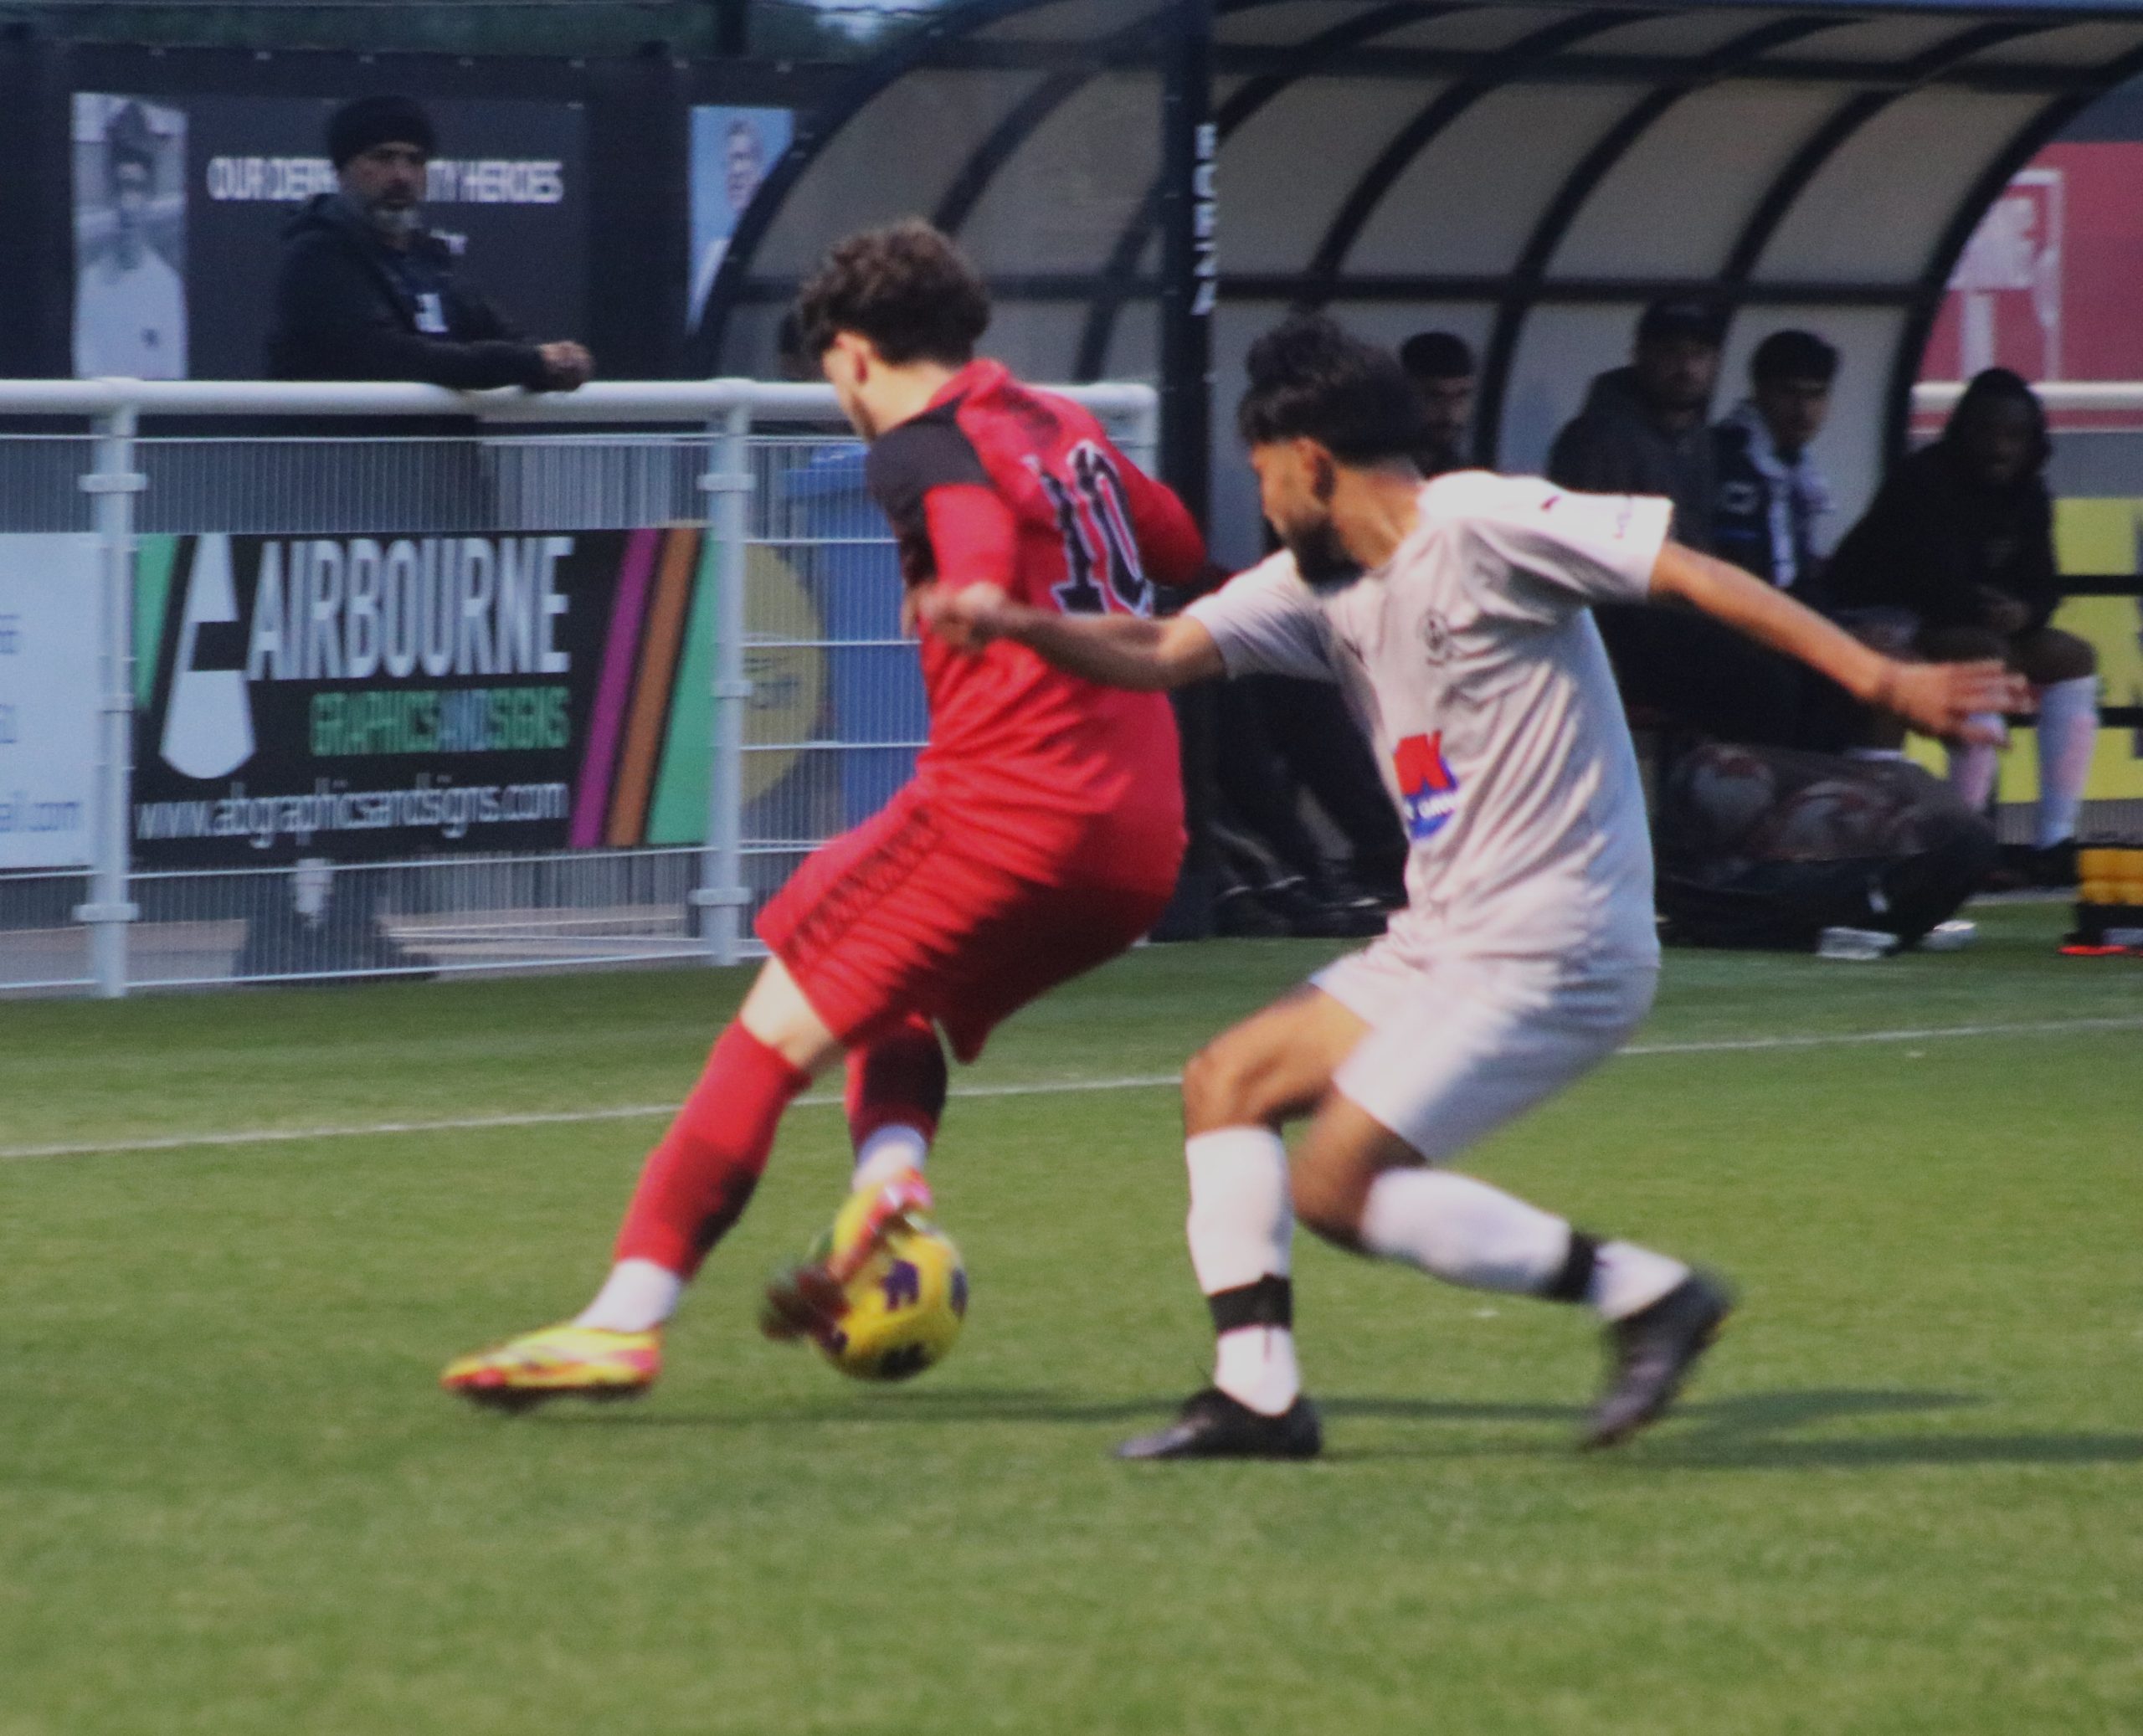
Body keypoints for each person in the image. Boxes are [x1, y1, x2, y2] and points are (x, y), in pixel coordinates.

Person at [922, 316, 2019, 1457]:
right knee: (1226, 1083)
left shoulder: (1482, 522)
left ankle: (1647, 1293)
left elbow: (1688, 573)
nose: (1259, 497)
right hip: (1442, 939)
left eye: (1259, 471)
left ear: (1308, 459)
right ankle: (1256, 1395)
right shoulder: (1315, 583)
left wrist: (1880, 672)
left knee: (1338, 1183)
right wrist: (1017, 624)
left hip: (1560, 940)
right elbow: (1156, 648)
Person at [441, 221, 1206, 1405]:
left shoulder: (920, 441)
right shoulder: (1067, 426)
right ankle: (891, 1173)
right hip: (1142, 840)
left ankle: (623, 1317)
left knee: (768, 1032)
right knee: (847, 944)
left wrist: (977, 589)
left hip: (1015, 807)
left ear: (851, 355)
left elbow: (965, 520)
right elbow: (1178, 542)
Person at [1826, 368, 2098, 885]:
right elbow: (1924, 581)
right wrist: (1988, 614)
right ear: (1962, 432)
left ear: (2032, 441)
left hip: (1973, 626)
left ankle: (2056, 839)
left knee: (2073, 658)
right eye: (1987, 432)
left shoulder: (2029, 494)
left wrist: (2025, 613)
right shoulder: (1923, 479)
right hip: (1881, 617)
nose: (2000, 448)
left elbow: (2044, 585)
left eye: (2014, 436)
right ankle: (1964, 846)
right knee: (1984, 654)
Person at [1553, 296, 1803, 746]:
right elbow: (1594, 568)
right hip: (1628, 629)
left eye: (1699, 355)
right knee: (1770, 685)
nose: (1686, 368)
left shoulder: (1699, 440)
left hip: (1687, 614)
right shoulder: (1599, 437)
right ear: (1639, 355)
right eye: (1670, 353)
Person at [266, 95, 593, 390]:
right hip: (349, 454)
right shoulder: (316, 256)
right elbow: (389, 357)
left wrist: (557, 359)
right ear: (342, 171)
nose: (401, 176)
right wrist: (530, 363)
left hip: (441, 455)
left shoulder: (430, 260)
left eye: (416, 160)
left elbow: (502, 334)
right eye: (383, 158)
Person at [1712, 330, 1837, 595]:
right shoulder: (1731, 459)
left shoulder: (1794, 462)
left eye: (1816, 395)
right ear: (1760, 391)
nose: (1803, 410)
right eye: (1790, 393)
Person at [75, 100, 187, 379]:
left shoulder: (168, 290)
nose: (127, 204)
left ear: (149, 195)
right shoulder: (88, 286)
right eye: (121, 187)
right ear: (109, 191)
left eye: (136, 188)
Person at [1398, 330, 1476, 477]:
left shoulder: (1469, 482)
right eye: (1434, 396)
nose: (1450, 412)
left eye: (1461, 396)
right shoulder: (1364, 477)